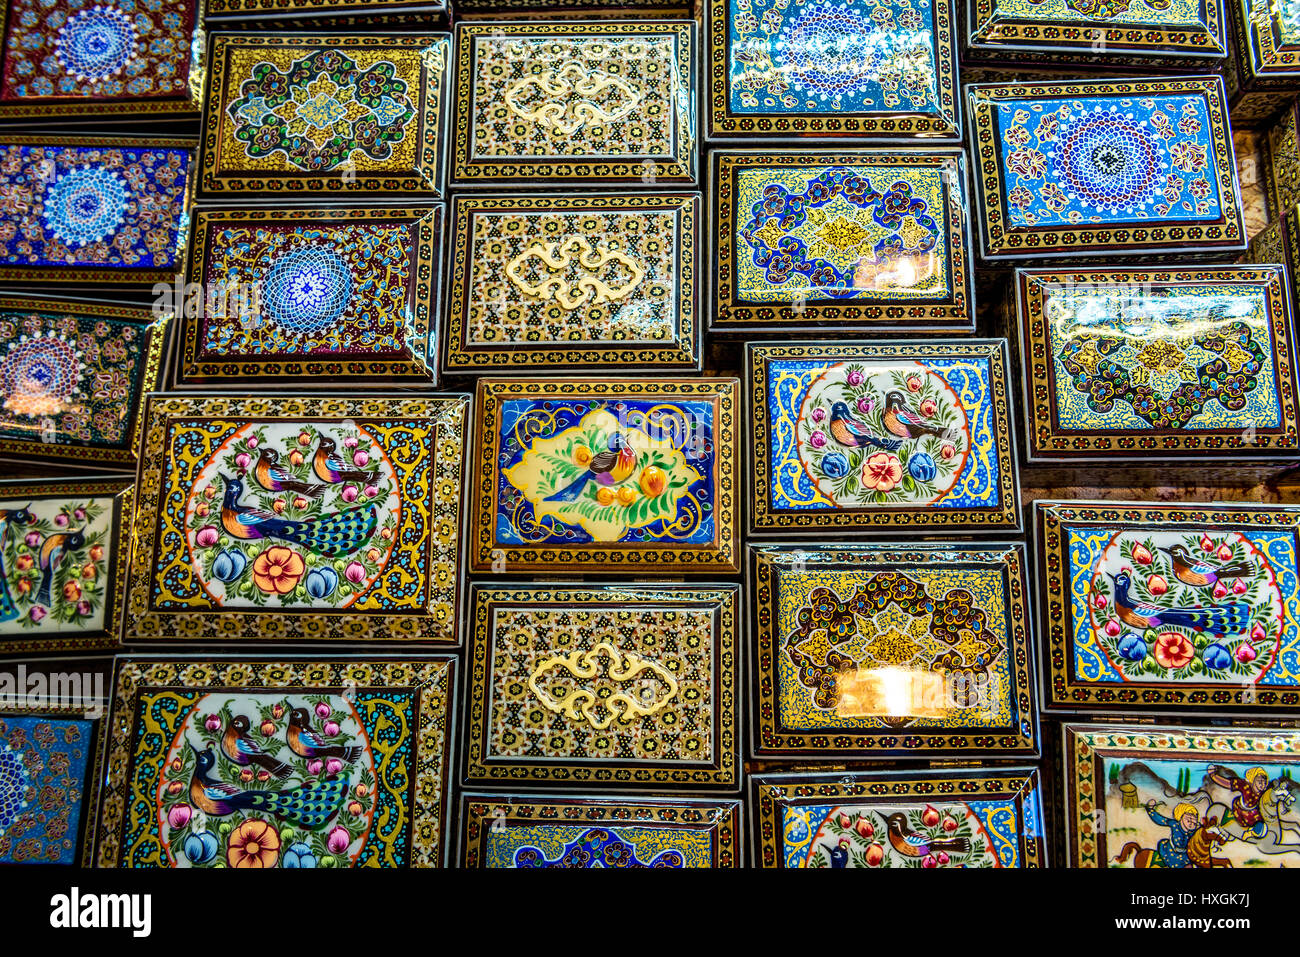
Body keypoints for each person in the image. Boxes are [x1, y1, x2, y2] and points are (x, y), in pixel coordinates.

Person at [1209, 765, 1269, 836]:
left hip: (1255, 815)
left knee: (1261, 827)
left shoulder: (1265, 793)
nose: (1263, 785)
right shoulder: (1244, 785)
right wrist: (1213, 775)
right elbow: (1228, 783)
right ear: (1253, 780)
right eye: (1260, 782)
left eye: (1265, 782)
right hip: (1239, 811)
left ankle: (1250, 834)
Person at [1145, 800, 1200, 867]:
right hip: (1172, 852)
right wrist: (1150, 809)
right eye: (1188, 819)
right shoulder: (1174, 824)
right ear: (1180, 817)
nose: (1191, 823)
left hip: (1186, 854)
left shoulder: (1194, 831)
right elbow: (1160, 820)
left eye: (1194, 821)